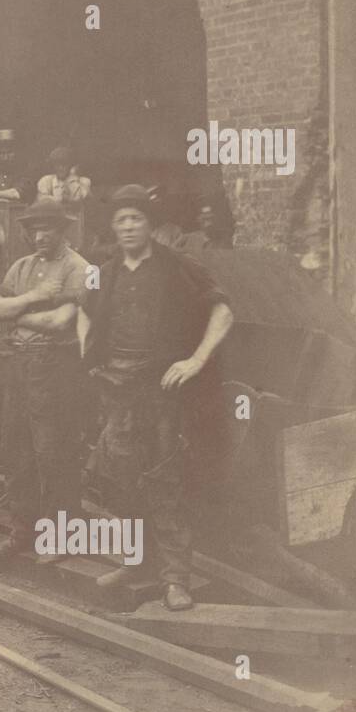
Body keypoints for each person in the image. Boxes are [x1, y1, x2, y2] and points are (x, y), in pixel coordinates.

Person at [78, 184, 234, 611]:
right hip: (117, 390)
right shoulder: (104, 270)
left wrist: (196, 361)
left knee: (165, 481)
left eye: (136, 219)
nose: (128, 226)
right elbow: (83, 310)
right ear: (113, 228)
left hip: (161, 392)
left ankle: (175, 579)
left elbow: (223, 310)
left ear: (150, 225)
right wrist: (87, 352)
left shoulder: (176, 265)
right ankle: (136, 564)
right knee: (122, 482)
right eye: (121, 220)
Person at [0, 197, 88, 549]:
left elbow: (59, 321)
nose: (40, 235)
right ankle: (23, 530)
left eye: (47, 227)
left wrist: (17, 313)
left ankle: (62, 538)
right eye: (34, 229)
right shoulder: (21, 266)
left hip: (54, 368)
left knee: (54, 452)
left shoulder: (78, 267)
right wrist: (36, 296)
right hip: (17, 365)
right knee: (16, 449)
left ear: (62, 230)